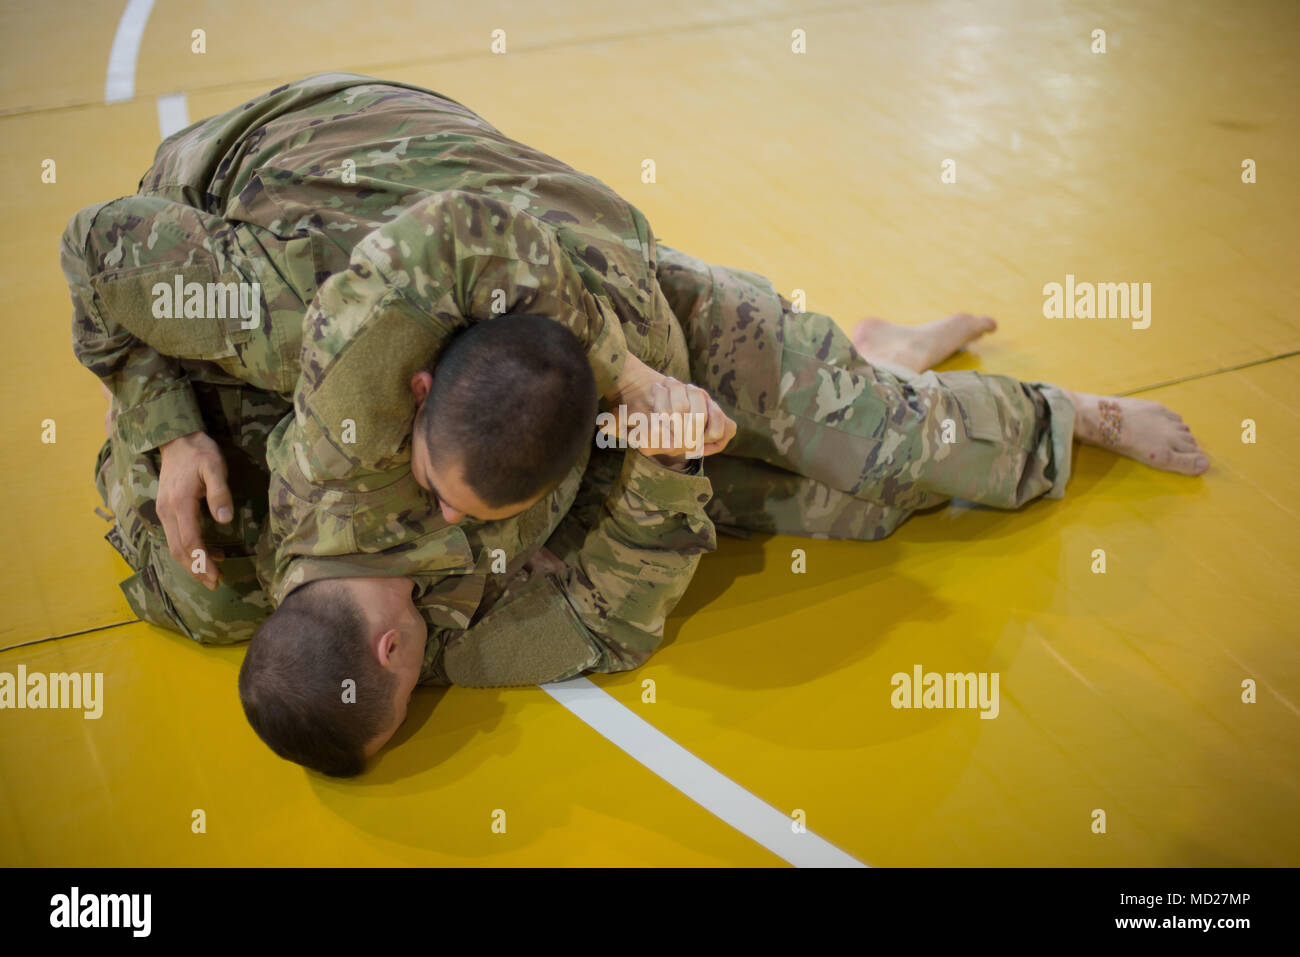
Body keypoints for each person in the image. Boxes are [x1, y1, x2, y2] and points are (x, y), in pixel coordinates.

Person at [65, 73, 1208, 777]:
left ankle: (1068, 415)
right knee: (837, 503)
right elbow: (615, 619)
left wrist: (627, 380)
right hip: (521, 354)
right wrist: (666, 463)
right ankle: (882, 350)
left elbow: (103, 244)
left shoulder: (330, 341)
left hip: (326, 164)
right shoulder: (216, 564)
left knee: (878, 436)